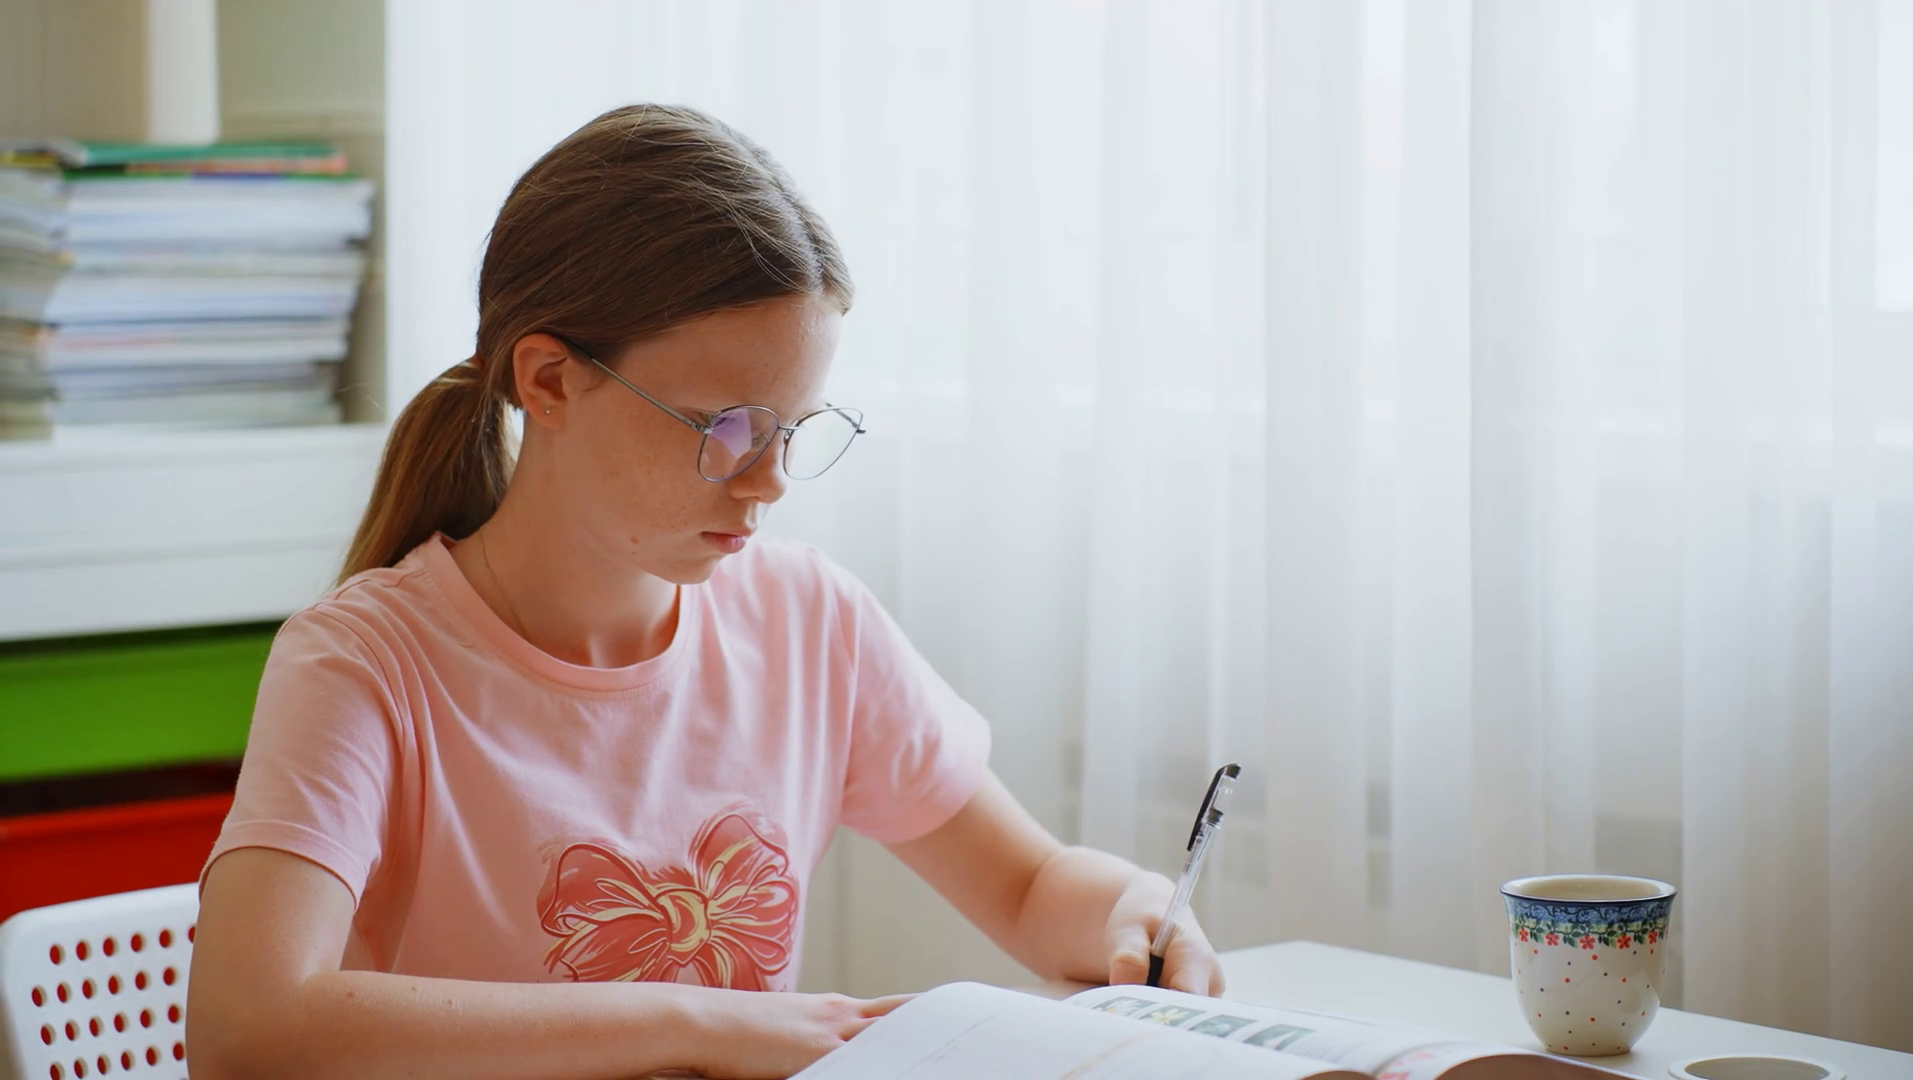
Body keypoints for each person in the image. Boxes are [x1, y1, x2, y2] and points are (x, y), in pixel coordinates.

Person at [186, 103, 1223, 1080]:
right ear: (547, 380)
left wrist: (1130, 908)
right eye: (726, 427)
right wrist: (695, 1021)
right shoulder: (365, 663)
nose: (768, 481)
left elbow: (1029, 886)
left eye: (793, 430)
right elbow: (246, 1028)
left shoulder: (809, 623)